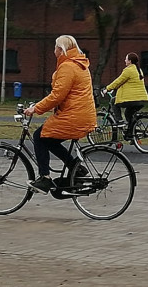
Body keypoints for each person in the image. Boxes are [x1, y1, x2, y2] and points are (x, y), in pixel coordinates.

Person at [24, 35, 96, 193]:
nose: (53, 50)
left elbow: (57, 95)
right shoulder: (80, 64)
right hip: (82, 115)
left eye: (56, 47)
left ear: (62, 49)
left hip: (73, 116)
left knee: (39, 136)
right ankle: (76, 168)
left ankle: (45, 179)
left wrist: (35, 108)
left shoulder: (68, 67)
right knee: (50, 140)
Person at [105, 52, 148, 140]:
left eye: (126, 59)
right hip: (142, 99)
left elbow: (118, 81)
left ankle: (119, 121)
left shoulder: (128, 70)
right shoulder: (139, 70)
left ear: (129, 61)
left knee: (113, 101)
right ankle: (131, 134)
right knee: (128, 114)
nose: (124, 60)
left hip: (132, 99)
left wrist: (107, 89)